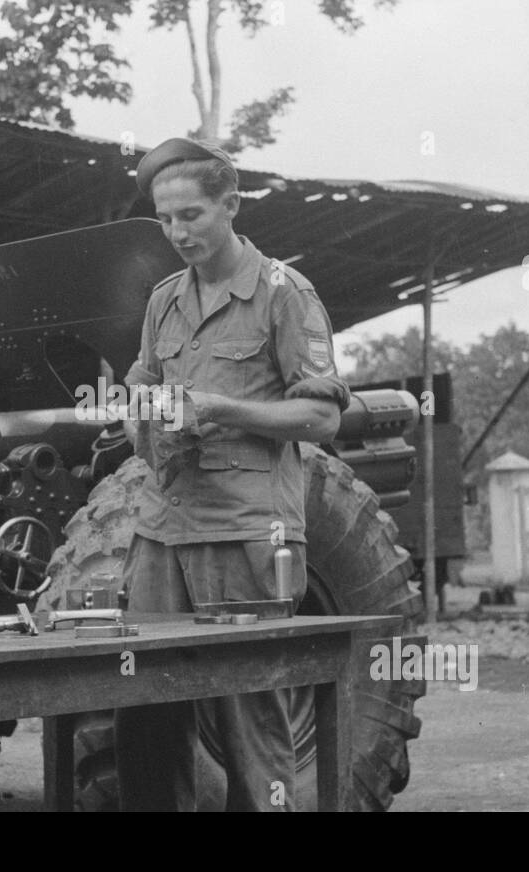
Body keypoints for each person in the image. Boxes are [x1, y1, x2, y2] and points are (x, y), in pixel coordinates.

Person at [115, 137, 351, 811]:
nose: (177, 232)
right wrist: (143, 413)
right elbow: (142, 386)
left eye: (191, 215)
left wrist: (222, 407)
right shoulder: (164, 299)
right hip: (163, 535)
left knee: (250, 721)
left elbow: (321, 418)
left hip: (248, 536)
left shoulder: (283, 294)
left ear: (231, 204)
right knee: (147, 715)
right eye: (164, 219)